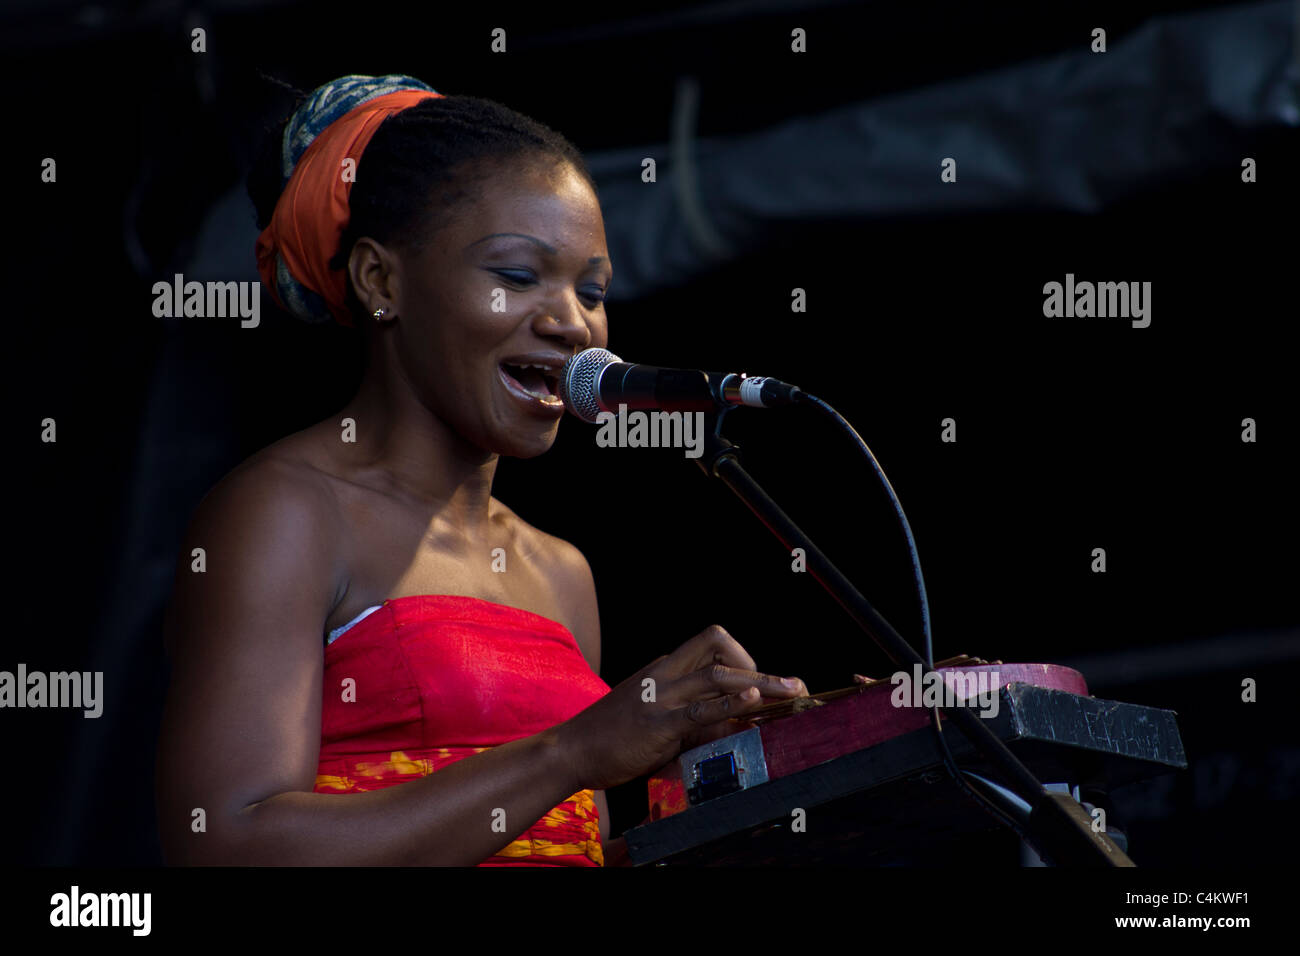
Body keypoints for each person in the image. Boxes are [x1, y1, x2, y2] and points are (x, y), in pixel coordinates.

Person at [154, 74, 807, 867]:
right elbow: (226, 845)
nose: (572, 322)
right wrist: (570, 752)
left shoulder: (560, 572)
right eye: (517, 276)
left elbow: (566, 843)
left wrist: (691, 762)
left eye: (592, 289)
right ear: (379, 280)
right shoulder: (286, 513)